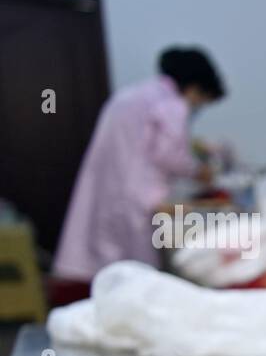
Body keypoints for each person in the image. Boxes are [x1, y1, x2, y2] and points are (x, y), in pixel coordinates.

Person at [50, 46, 225, 291]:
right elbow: (170, 155)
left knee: (107, 274)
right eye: (201, 101)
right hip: (138, 200)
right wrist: (199, 170)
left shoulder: (128, 97)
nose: (197, 108)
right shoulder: (172, 104)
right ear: (195, 88)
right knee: (137, 280)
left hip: (110, 193)